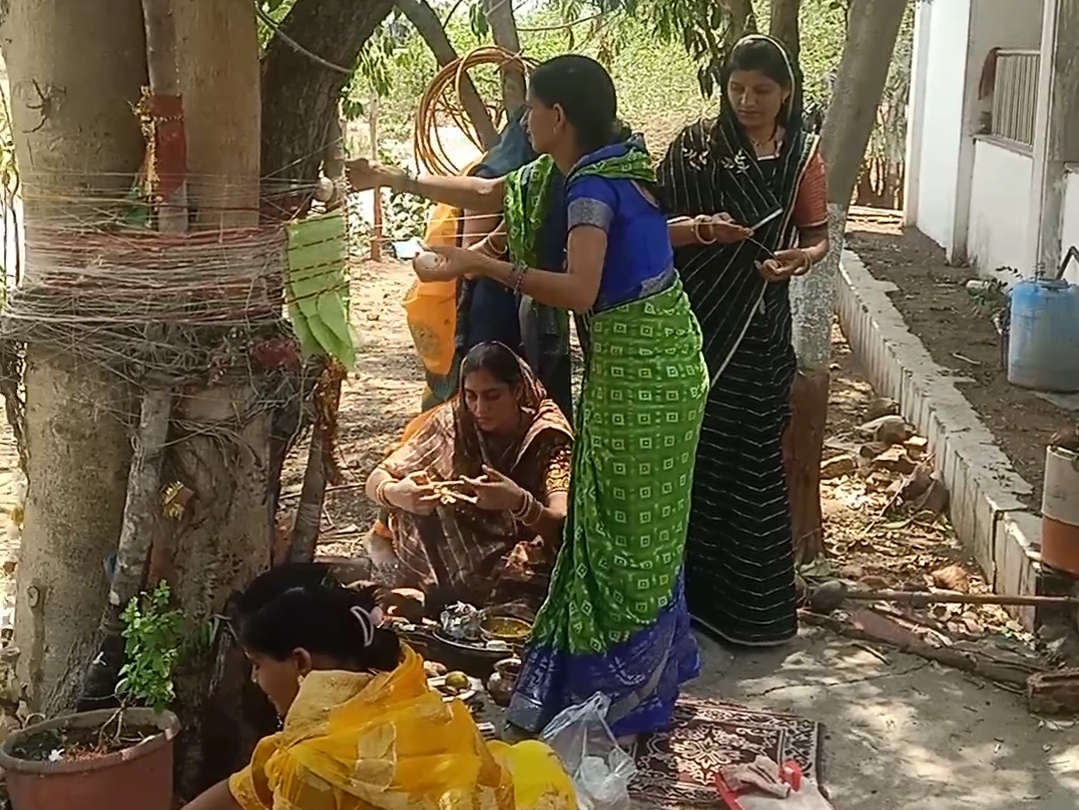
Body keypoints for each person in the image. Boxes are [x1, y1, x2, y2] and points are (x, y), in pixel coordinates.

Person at [349, 54, 709, 740]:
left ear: (557, 117)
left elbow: (576, 290)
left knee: (630, 528)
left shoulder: (591, 191)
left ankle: (623, 681)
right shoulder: (571, 172)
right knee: (614, 522)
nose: (521, 119)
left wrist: (478, 264)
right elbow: (488, 193)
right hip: (638, 358)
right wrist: (389, 177)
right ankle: (616, 676)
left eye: (529, 108)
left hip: (648, 372)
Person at [656, 34, 830, 647]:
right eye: (737, 89)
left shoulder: (803, 157)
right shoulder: (693, 148)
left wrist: (798, 261)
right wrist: (703, 230)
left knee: (754, 461)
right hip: (697, 324)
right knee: (695, 458)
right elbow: (655, 231)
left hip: (759, 330)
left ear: (785, 92)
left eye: (761, 90)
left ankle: (753, 614)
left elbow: (817, 236)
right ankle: (681, 605)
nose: (747, 101)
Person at [184, 567, 576, 810]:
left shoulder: (309, 765)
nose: (255, 680)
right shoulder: (401, 683)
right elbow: (251, 783)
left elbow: (282, 772)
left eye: (257, 665)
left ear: (301, 661)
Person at [364, 341, 572, 615]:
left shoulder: (547, 438)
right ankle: (425, 591)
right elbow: (377, 478)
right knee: (418, 501)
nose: (479, 407)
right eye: (471, 395)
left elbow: (563, 527)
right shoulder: (455, 420)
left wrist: (519, 502)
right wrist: (395, 493)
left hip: (520, 553)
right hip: (460, 547)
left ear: (517, 391)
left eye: (492, 396)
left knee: (537, 576)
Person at [406, 107, 573, 417]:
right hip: (493, 310)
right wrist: (511, 227)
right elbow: (471, 262)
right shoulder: (494, 173)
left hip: (537, 303)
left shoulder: (554, 174)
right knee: (490, 404)